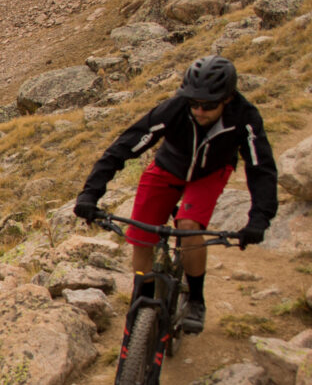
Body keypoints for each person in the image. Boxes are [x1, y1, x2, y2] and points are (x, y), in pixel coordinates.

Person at [72, 54, 277, 332]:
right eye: (194, 103)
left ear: (227, 99)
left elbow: (260, 167)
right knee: (141, 236)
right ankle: (141, 294)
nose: (199, 111)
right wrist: (89, 195)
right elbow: (124, 147)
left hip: (209, 174)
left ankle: (195, 299)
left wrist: (259, 219)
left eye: (209, 105)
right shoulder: (175, 109)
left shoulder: (245, 118)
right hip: (168, 167)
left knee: (189, 227)